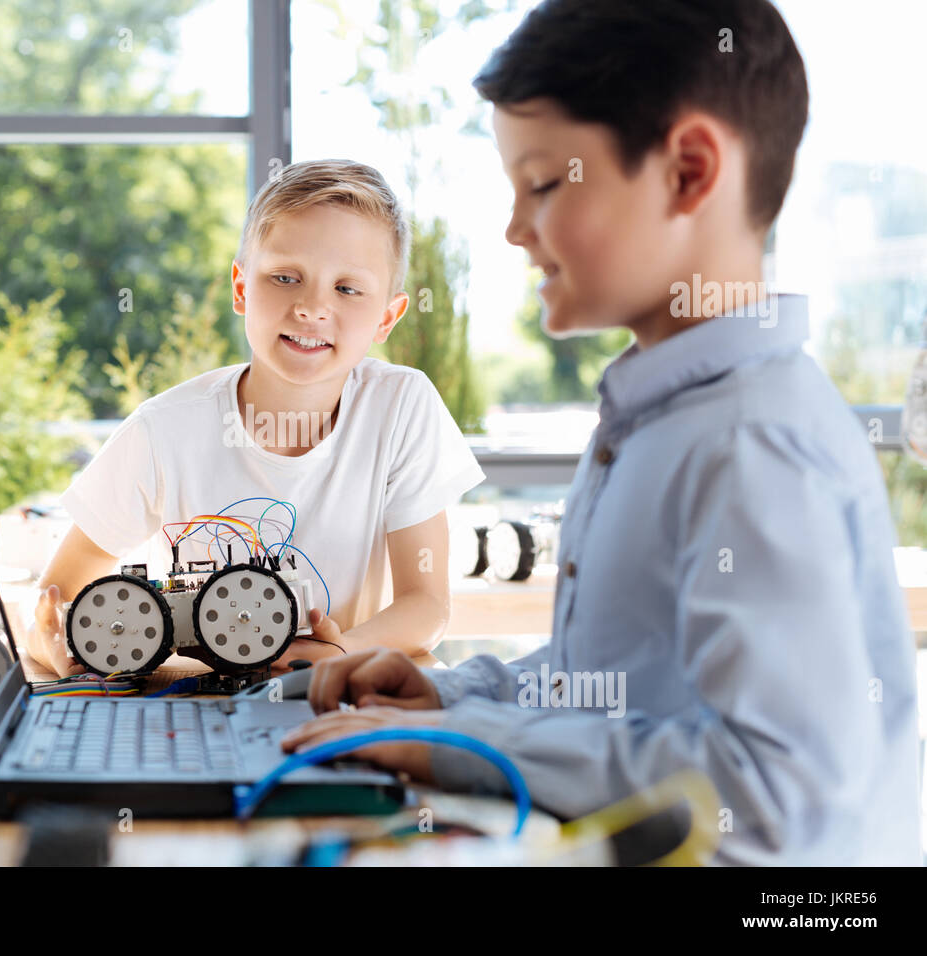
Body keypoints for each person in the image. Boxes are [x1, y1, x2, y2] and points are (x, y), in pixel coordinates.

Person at [282, 0, 922, 865]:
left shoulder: (752, 443)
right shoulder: (667, 415)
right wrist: (455, 698)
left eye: (543, 185)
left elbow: (775, 798)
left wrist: (472, 748)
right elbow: (621, 680)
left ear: (689, 172)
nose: (514, 230)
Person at [24, 159, 485, 678]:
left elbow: (427, 605)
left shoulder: (401, 406)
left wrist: (338, 651)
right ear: (242, 288)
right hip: (199, 712)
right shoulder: (164, 430)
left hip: (337, 701)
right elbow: (51, 599)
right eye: (285, 277)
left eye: (347, 289)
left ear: (387, 316)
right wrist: (59, 647)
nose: (312, 307)